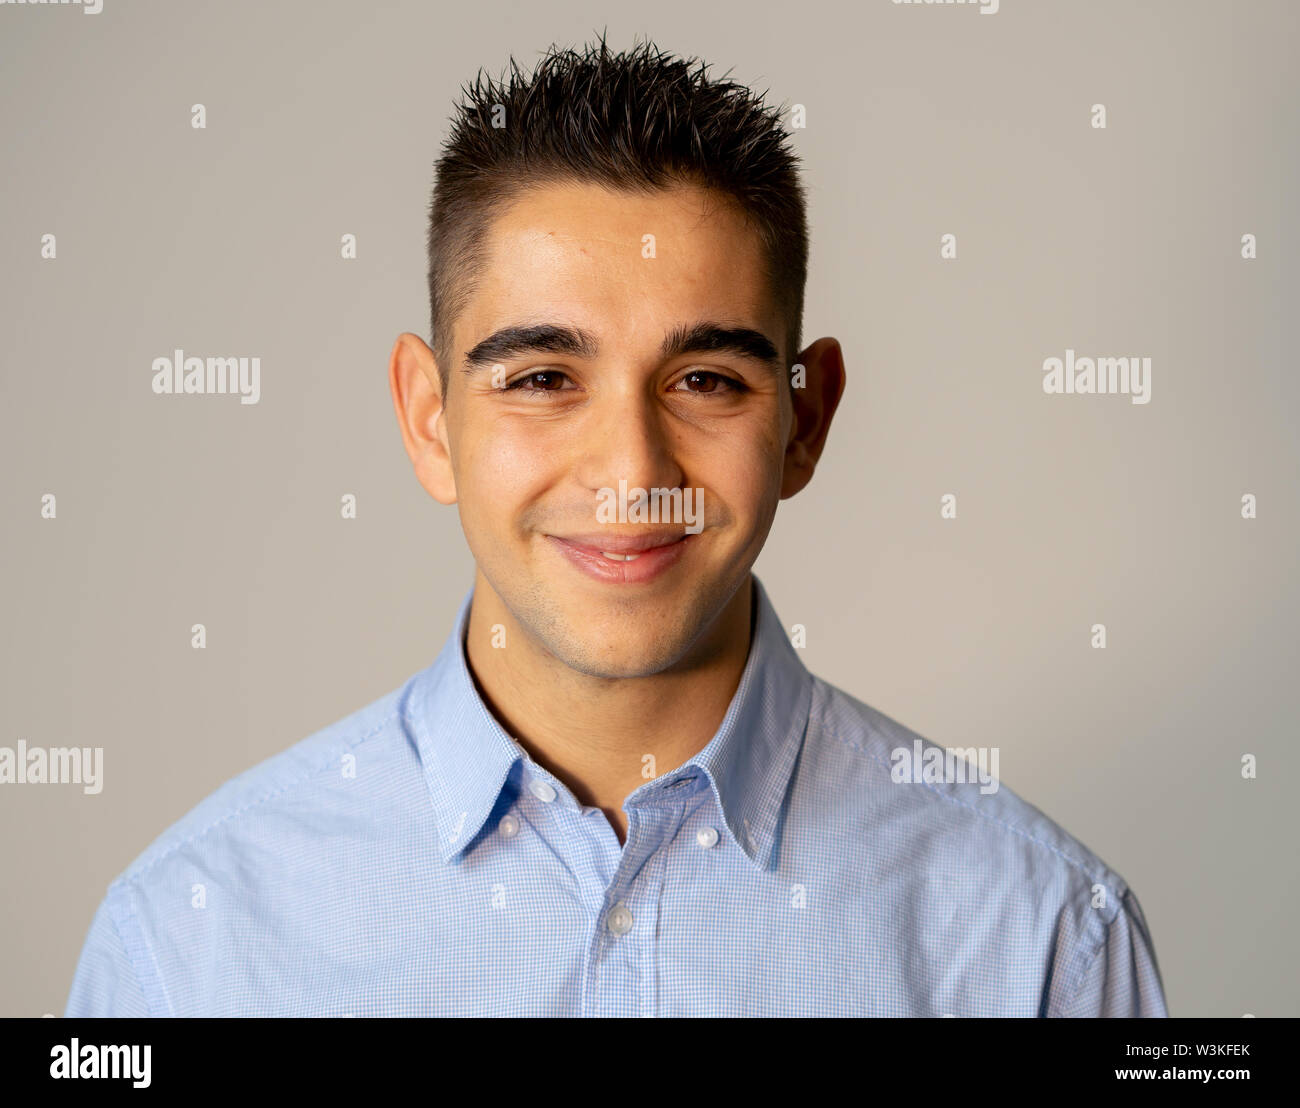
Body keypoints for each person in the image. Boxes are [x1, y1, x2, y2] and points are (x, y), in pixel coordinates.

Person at [66, 36, 1166, 1017]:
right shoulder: (187, 944)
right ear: (427, 416)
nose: (633, 470)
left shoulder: (1043, 944)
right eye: (543, 376)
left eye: (703, 379)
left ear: (804, 417)